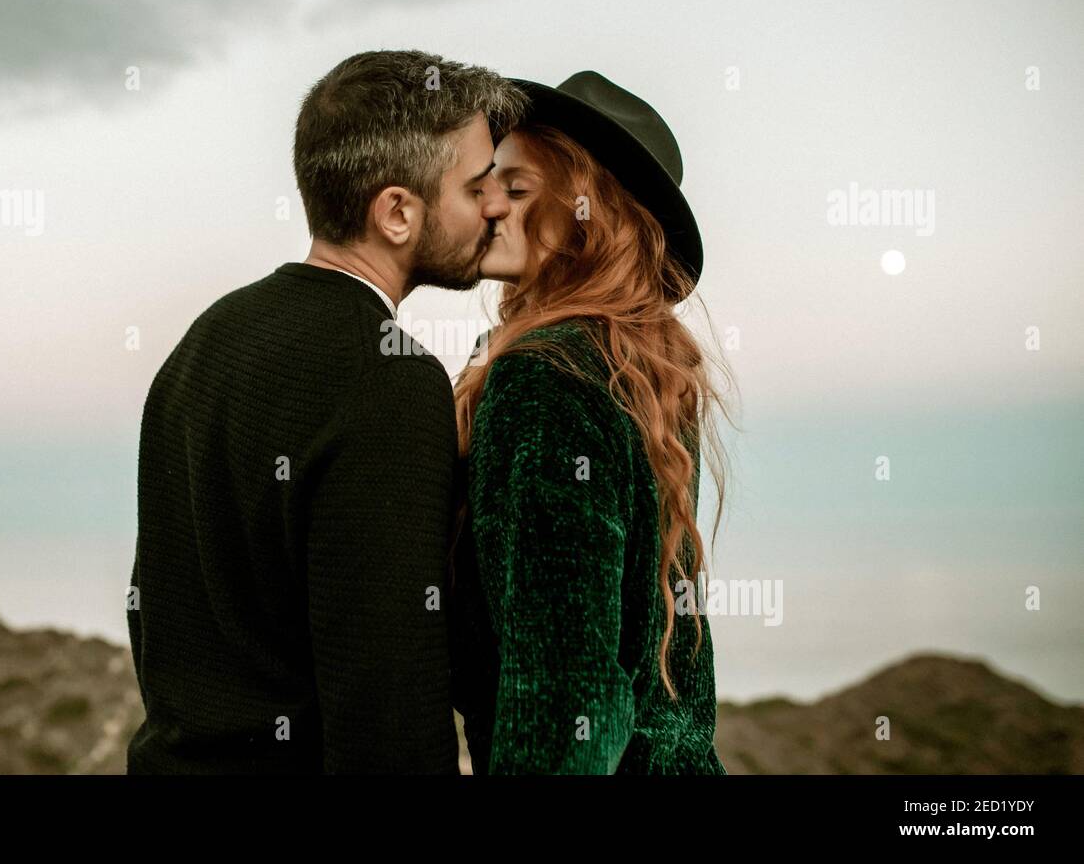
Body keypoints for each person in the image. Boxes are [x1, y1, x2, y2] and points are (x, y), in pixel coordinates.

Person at [126, 50, 527, 773]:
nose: (497, 205)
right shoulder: (389, 381)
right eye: (477, 186)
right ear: (397, 212)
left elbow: (149, 611)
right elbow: (390, 715)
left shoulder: (205, 341)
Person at [449, 71, 734, 774]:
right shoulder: (647, 373)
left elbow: (566, 700)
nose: (485, 204)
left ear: (585, 215)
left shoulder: (546, 376)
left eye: (515, 189)